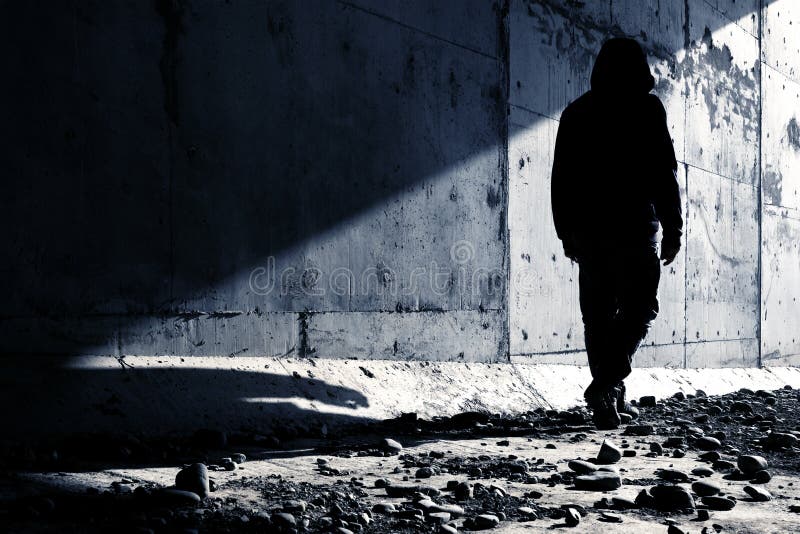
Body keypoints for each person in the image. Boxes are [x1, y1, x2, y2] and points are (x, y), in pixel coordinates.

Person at [550, 38, 683, 430]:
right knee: (640, 309)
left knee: (598, 314)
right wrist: (673, 227)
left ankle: (608, 391)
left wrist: (565, 231)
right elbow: (664, 173)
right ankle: (607, 386)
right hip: (637, 227)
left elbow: (562, 179)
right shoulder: (647, 109)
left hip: (591, 231)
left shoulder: (576, 113)